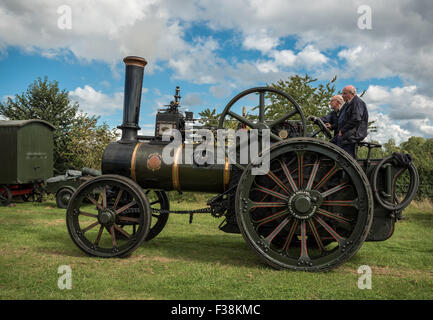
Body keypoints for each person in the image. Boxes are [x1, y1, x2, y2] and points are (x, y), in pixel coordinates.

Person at [337, 85, 369, 158]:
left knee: (345, 158)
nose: (342, 96)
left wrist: (342, 130)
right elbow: (340, 119)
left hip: (352, 136)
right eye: (343, 93)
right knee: (331, 145)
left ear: (352, 94)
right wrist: (331, 126)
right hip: (345, 134)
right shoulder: (346, 105)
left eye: (345, 93)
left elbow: (356, 119)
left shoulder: (357, 103)